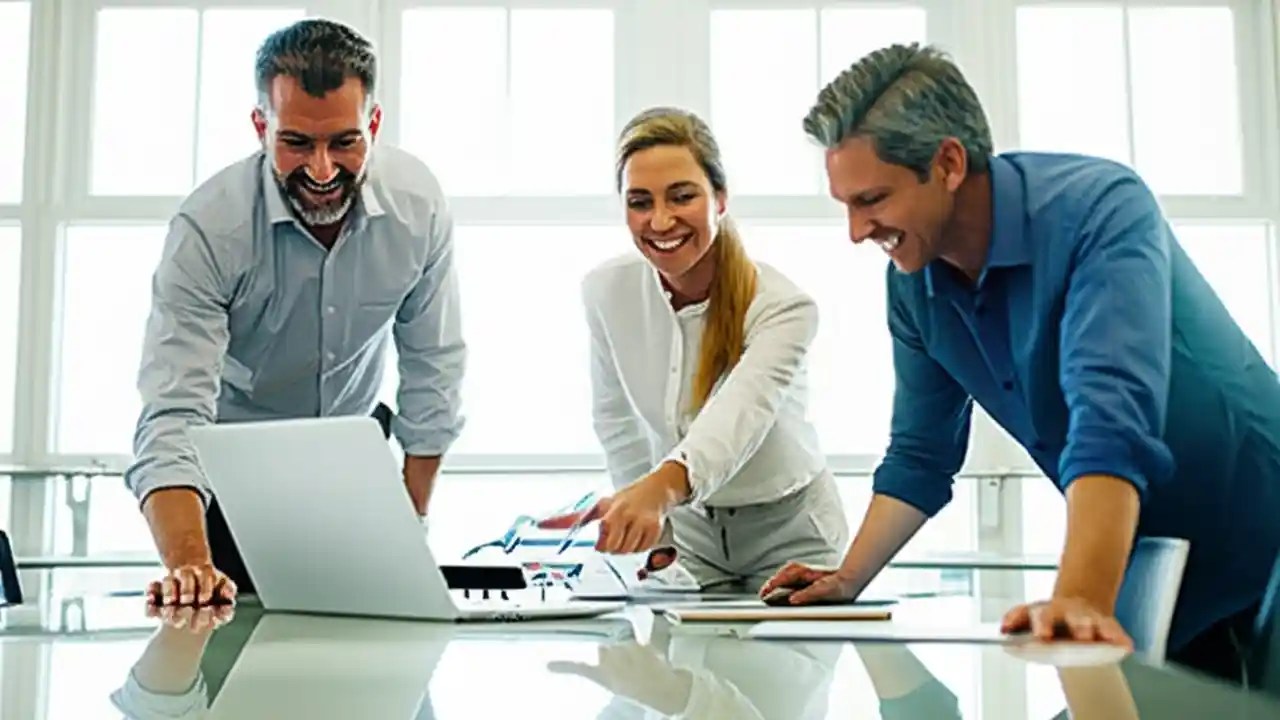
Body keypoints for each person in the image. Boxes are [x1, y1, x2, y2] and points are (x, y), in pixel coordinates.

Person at [760, 42, 1280, 682]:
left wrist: (1080, 598)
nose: (857, 230)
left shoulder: (1099, 208)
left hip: (1262, 537)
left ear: (948, 162)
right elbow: (921, 454)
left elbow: (1110, 413)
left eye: (872, 199)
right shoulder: (914, 285)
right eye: (845, 205)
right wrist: (846, 579)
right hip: (1148, 559)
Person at [126, 18, 465, 607]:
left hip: (357, 467)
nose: (323, 171)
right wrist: (189, 566)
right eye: (297, 144)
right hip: (231, 477)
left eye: (345, 142)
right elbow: (174, 412)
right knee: (229, 668)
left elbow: (433, 370)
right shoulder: (210, 229)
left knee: (383, 678)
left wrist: (411, 519)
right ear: (262, 127)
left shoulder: (419, 207)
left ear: (374, 124)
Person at [540, 107, 849, 591]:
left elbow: (736, 418)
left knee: (788, 667)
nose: (660, 220)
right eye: (639, 202)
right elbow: (616, 420)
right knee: (670, 665)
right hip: (689, 531)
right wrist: (647, 520)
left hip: (791, 532)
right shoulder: (606, 291)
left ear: (720, 199)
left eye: (682, 197)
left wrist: (658, 493)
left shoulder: (783, 306)